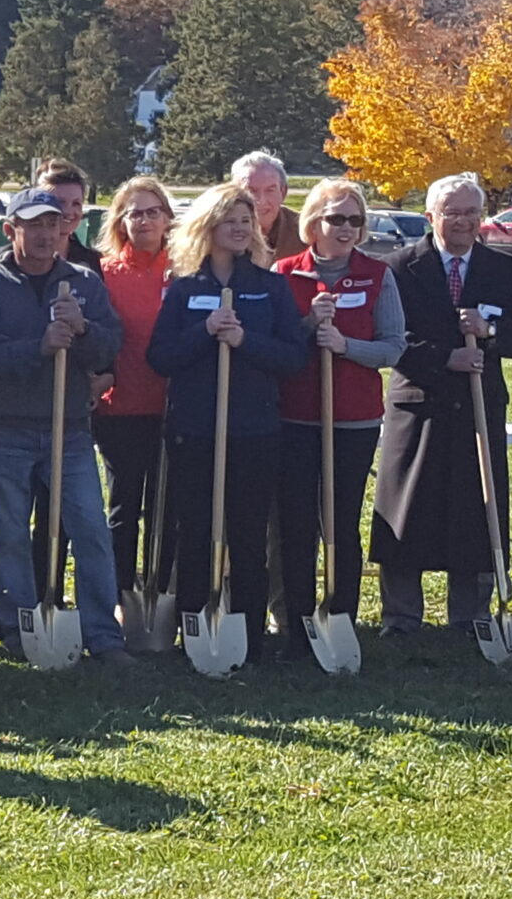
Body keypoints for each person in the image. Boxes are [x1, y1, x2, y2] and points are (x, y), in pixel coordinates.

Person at [370, 172, 512, 635]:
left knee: (476, 508)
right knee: (406, 510)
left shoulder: (502, 269)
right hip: (418, 405)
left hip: (478, 408)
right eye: (452, 213)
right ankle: (401, 616)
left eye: (471, 212)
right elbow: (392, 338)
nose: (463, 222)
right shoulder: (399, 267)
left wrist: (490, 335)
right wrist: (445, 358)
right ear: (431, 216)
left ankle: (470, 616)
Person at [0, 188, 127, 660]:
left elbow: (108, 347)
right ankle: (21, 633)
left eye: (52, 225)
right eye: (33, 225)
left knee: (90, 530)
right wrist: (40, 345)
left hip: (69, 428)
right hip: (5, 430)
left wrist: (82, 330)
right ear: (11, 229)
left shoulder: (83, 283)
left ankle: (102, 635)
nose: (44, 235)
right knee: (11, 533)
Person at [149, 182, 308, 653]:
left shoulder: (270, 287)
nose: (239, 229)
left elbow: (293, 358)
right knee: (195, 530)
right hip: (195, 428)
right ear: (208, 227)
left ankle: (247, 633)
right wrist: (204, 332)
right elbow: (160, 357)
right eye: (229, 221)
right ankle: (194, 627)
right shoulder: (185, 290)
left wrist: (245, 342)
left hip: (253, 429)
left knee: (247, 532)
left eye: (245, 221)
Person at [274, 177, 405, 657]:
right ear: (314, 223)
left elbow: (393, 346)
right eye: (336, 219)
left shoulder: (377, 275)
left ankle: (341, 617)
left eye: (354, 220)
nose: (346, 228)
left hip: (353, 419)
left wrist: (345, 346)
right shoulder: (285, 273)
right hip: (295, 417)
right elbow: (276, 344)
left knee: (341, 522)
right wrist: (310, 324)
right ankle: (296, 623)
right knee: (295, 522)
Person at [93, 176, 174, 611]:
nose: (144, 220)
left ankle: (159, 594)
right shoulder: (105, 273)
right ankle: (120, 595)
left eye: (153, 211)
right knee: (124, 508)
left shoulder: (184, 271)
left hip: (174, 408)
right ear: (121, 220)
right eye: (135, 212)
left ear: (167, 218)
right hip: (121, 408)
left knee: (167, 510)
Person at [231, 150, 302, 261]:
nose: (261, 201)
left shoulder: (305, 231)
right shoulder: (218, 232)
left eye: (270, 190)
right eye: (251, 191)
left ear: (283, 192)